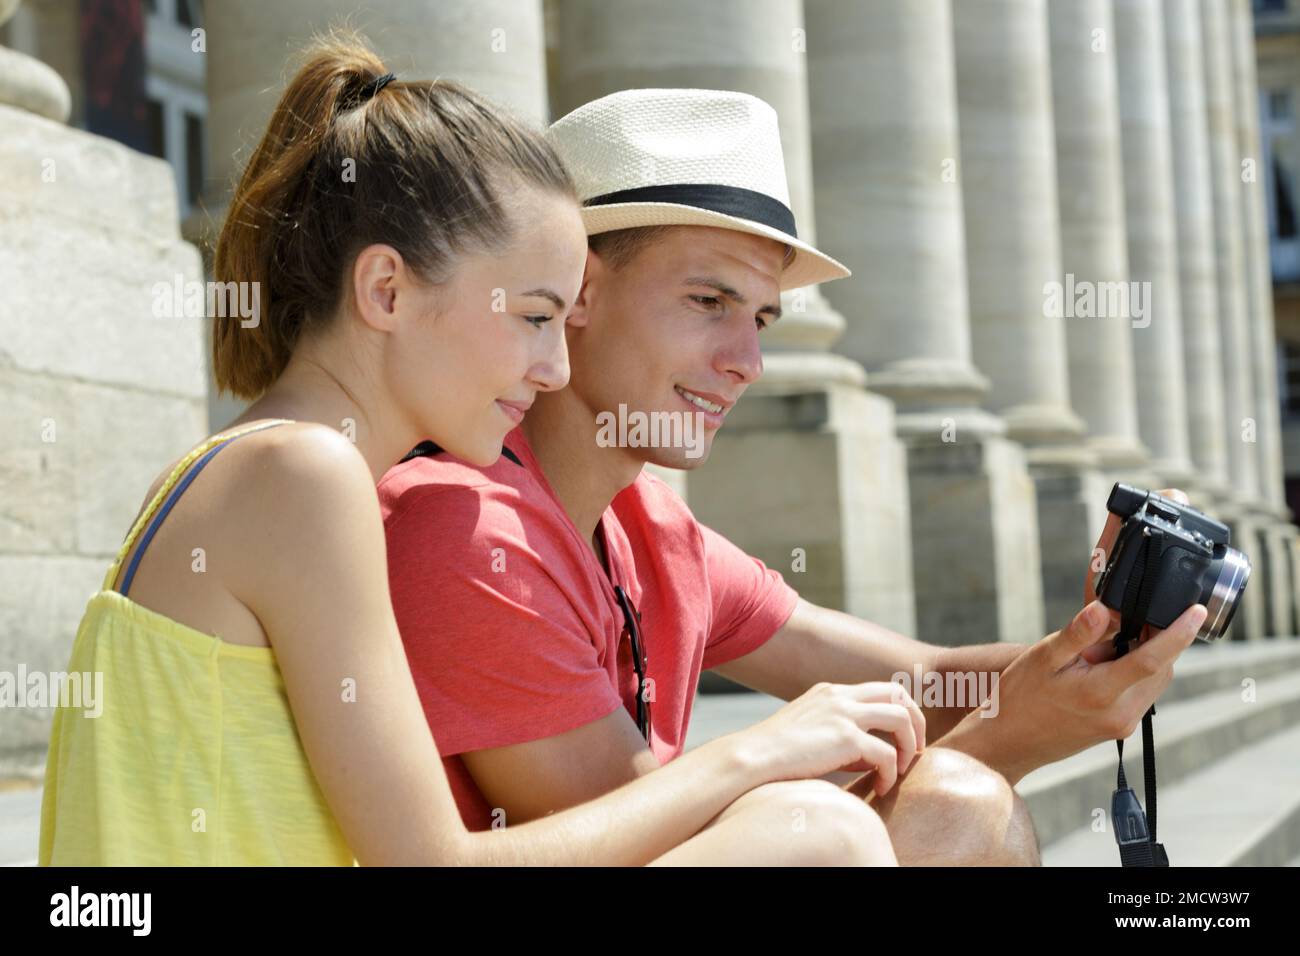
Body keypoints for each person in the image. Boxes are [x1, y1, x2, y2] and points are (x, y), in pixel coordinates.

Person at [38, 34, 925, 867]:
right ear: (386, 289)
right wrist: (751, 756)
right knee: (816, 839)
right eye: (536, 316)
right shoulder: (303, 474)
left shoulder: (268, 466)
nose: (554, 365)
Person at [379, 88, 1209, 866]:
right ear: (577, 292)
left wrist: (1104, 639)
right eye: (710, 301)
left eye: (763, 318)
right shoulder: (463, 525)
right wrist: (1011, 737)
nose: (747, 363)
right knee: (954, 802)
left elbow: (923, 680)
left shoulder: (648, 526)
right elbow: (647, 846)